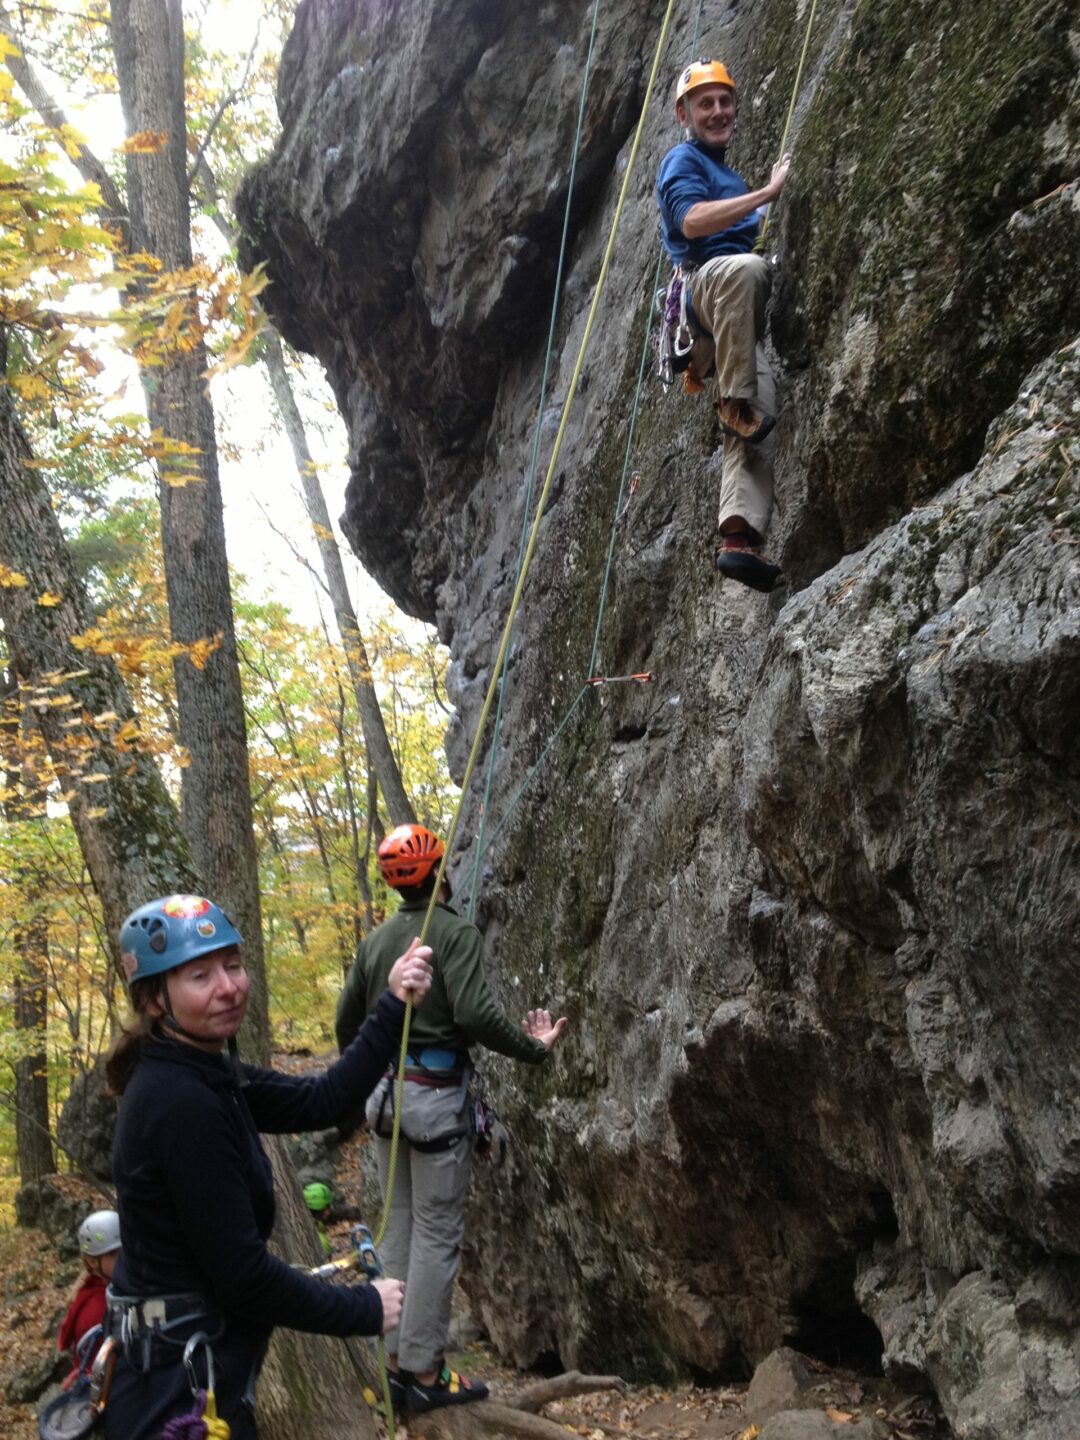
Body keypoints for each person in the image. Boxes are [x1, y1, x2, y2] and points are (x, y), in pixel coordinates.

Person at [102, 892, 432, 1440]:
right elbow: (244, 1280)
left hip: (188, 1365)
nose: (229, 986)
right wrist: (361, 1308)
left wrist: (394, 1001)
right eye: (200, 976)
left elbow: (320, 1100)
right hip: (176, 1389)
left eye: (232, 965)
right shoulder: (179, 1101)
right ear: (156, 1000)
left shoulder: (205, 1070)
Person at [335, 824, 568, 1414]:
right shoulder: (454, 934)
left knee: (397, 1232)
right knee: (436, 1237)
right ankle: (425, 1371)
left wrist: (366, 1063)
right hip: (436, 1101)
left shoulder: (377, 941)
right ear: (441, 871)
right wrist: (533, 1046)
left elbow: (346, 1022)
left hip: (385, 1098)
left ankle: (392, 1364)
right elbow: (474, 1012)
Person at [656, 58, 793, 593]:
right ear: (683, 113)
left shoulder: (726, 175)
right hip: (703, 292)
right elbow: (690, 221)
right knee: (744, 269)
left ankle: (739, 540)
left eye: (724, 101)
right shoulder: (680, 161)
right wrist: (765, 195)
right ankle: (734, 403)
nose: (717, 112)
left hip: (726, 312)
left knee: (764, 398)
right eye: (704, 103)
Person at [57, 1210, 121, 1384]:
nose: (123, 1258)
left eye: (124, 1250)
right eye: (113, 1254)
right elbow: (100, 1371)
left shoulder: (113, 1291)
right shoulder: (95, 1310)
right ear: (93, 1262)